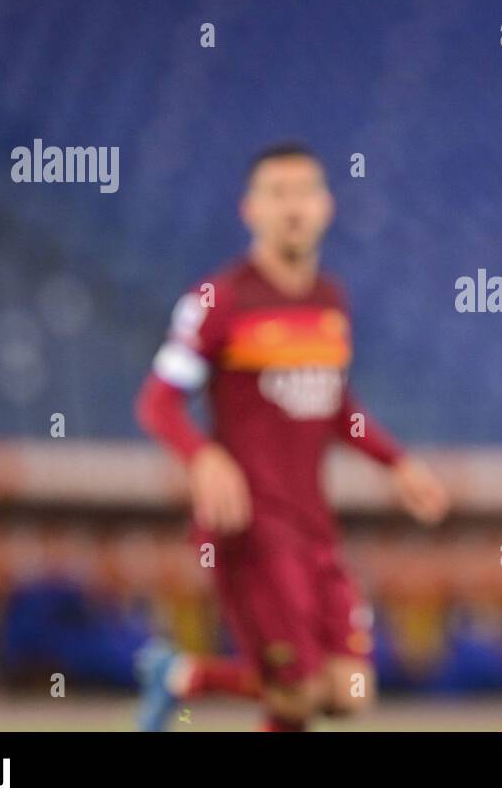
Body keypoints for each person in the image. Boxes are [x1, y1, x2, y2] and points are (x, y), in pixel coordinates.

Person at [135, 143, 448, 731]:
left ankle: (186, 677)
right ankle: (189, 677)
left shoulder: (331, 301)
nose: (293, 208)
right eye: (277, 194)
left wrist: (397, 463)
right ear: (249, 210)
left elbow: (337, 407)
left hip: (315, 529)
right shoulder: (218, 299)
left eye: (304, 192)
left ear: (326, 206)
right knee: (297, 695)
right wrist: (203, 457)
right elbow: (158, 402)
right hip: (252, 529)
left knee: (349, 693)